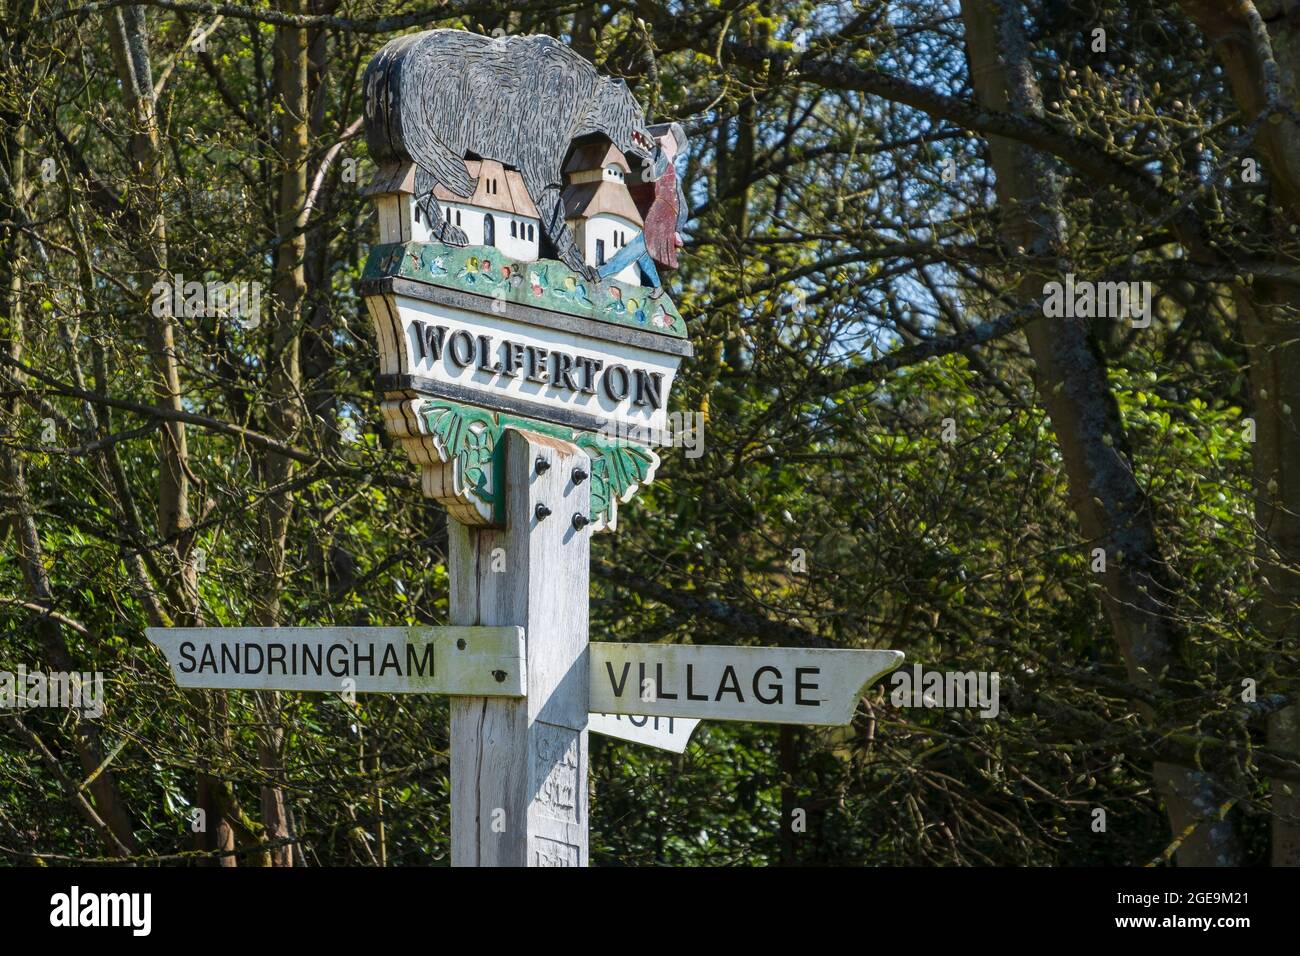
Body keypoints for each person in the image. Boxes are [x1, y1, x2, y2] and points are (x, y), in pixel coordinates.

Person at [597, 122, 688, 299]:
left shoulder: (665, 164)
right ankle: (656, 287)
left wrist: (676, 229)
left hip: (659, 220)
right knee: (643, 253)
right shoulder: (655, 157)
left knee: (636, 247)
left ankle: (601, 274)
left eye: (667, 136)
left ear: (674, 145)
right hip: (646, 214)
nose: (661, 137)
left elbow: (681, 205)